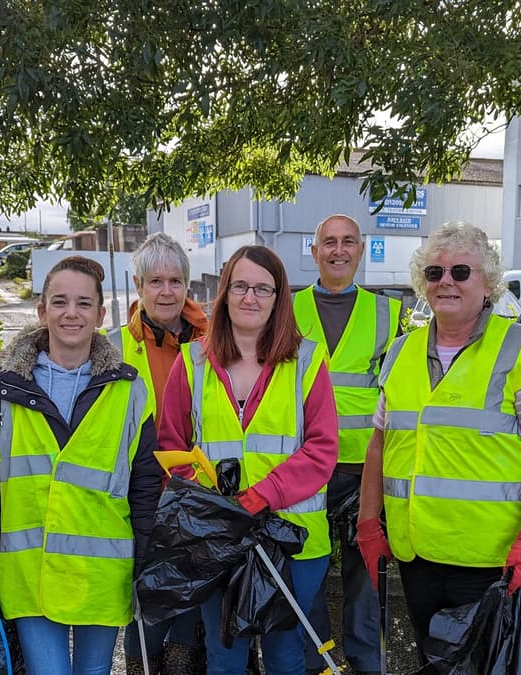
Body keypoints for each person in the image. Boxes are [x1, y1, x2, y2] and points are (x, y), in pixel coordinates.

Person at [355, 222, 521, 671]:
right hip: (417, 553)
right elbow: (379, 445)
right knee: (433, 662)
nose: (446, 281)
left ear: (488, 284)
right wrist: (368, 522)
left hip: (488, 559)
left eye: (461, 271)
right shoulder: (401, 351)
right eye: (434, 272)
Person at [0, 255, 162, 675]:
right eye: (60, 301)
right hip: (31, 578)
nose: (72, 313)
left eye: (84, 303)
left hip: (103, 578)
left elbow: (144, 493)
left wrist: (149, 571)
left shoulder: (132, 394)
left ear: (101, 315)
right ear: (41, 311)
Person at [159, 245, 338, 675]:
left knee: (285, 656)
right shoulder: (192, 361)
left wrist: (260, 497)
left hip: (294, 540)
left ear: (278, 298)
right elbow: (171, 446)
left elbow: (321, 449)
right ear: (225, 294)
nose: (250, 297)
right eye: (240, 286)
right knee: (224, 656)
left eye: (262, 288)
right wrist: (211, 509)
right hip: (216, 539)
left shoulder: (306, 360)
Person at [292, 214, 401, 675]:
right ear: (314, 251)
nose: (338, 250)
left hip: (364, 468)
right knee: (307, 573)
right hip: (304, 466)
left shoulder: (389, 313)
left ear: (360, 249)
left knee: (367, 576)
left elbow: (398, 391)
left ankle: (366, 663)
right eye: (329, 242)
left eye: (348, 242)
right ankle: (316, 662)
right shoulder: (287, 308)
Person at [107, 232, 209, 675]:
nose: (166, 292)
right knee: (146, 606)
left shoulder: (213, 341)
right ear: (138, 286)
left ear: (187, 285)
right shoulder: (113, 347)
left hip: (198, 494)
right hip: (139, 497)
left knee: (190, 608)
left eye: (175, 281)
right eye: (155, 282)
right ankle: (140, 668)